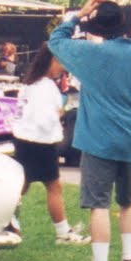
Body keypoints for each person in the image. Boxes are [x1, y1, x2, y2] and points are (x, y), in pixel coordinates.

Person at [47, 0, 131, 261]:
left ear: (96, 26)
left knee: (98, 204)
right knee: (127, 200)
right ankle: (129, 260)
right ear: (125, 23)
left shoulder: (89, 54)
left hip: (98, 140)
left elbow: (56, 40)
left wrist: (78, 15)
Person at [11, 44, 88, 247]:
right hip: (41, 143)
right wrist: (59, 116)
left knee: (20, 187)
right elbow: (45, 119)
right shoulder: (45, 87)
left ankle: (7, 222)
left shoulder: (30, 84)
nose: (62, 67)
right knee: (53, 187)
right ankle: (62, 232)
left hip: (23, 139)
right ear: (50, 60)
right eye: (59, 62)